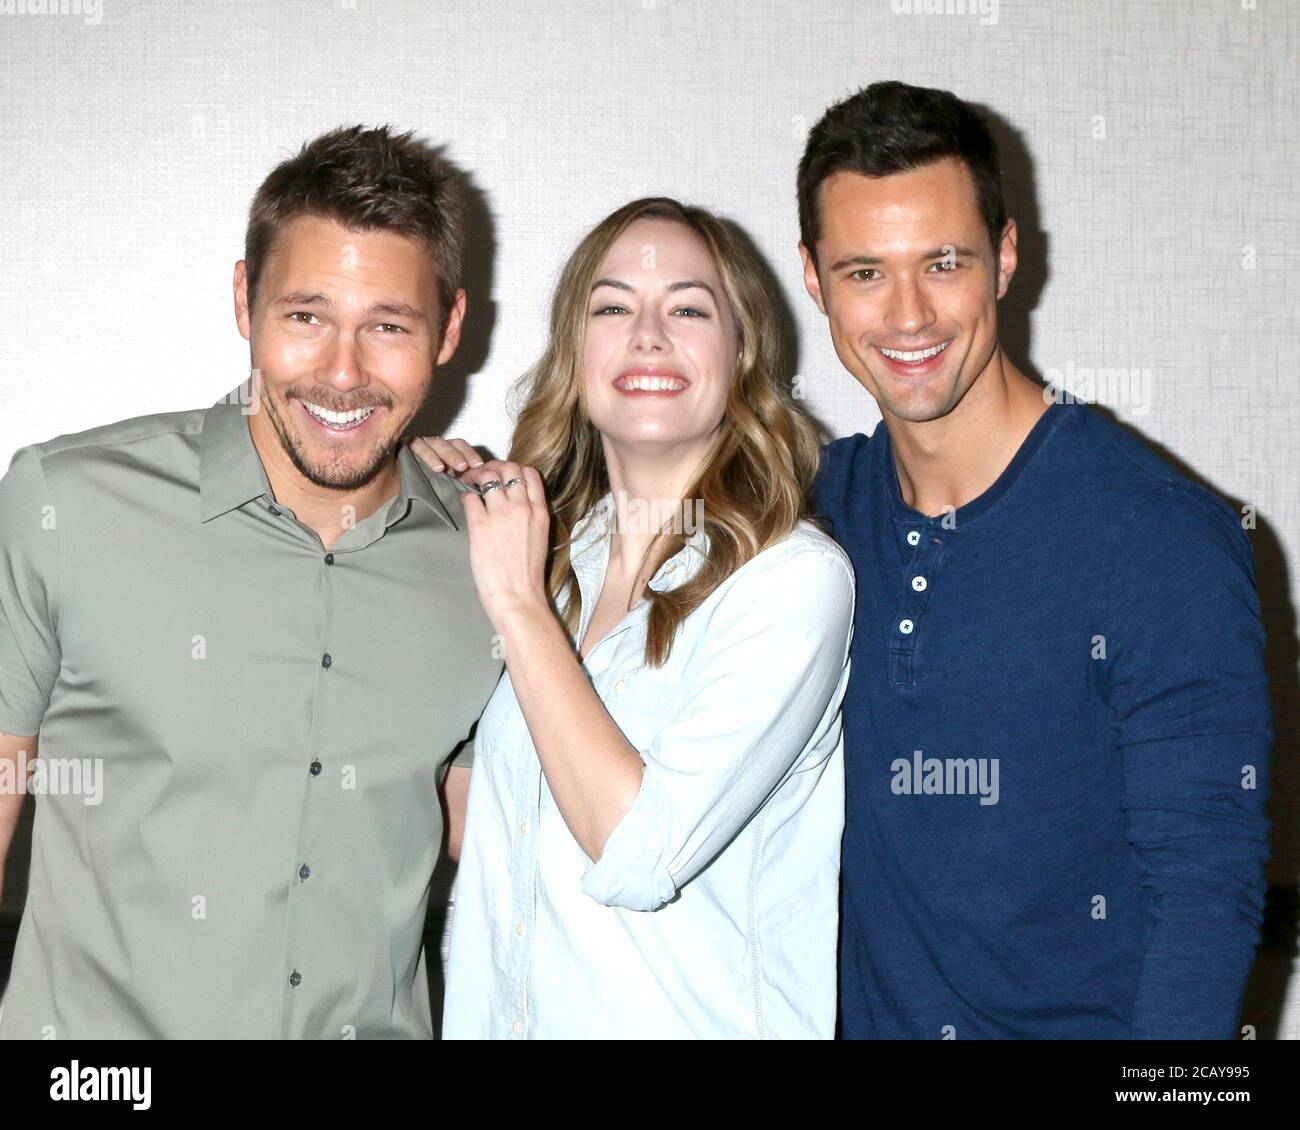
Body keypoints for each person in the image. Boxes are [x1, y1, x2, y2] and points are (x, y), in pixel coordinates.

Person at [0, 124, 501, 1038]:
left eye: (388, 326)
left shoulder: (490, 559)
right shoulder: (66, 504)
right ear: (244, 298)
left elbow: (500, 843)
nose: (343, 373)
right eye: (306, 316)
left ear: (450, 329)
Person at [799, 81, 1272, 1038]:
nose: (907, 316)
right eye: (865, 272)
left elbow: (1205, 898)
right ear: (813, 279)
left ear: (1005, 256)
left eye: (943, 263)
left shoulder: (1158, 536)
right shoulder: (816, 509)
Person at [416, 197, 854, 1039]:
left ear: (741, 351)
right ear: (575, 353)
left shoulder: (792, 581)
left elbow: (639, 854)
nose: (648, 336)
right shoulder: (550, 558)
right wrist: (407, 496)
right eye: (612, 309)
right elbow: (483, 821)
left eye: (688, 310)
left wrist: (516, 602)